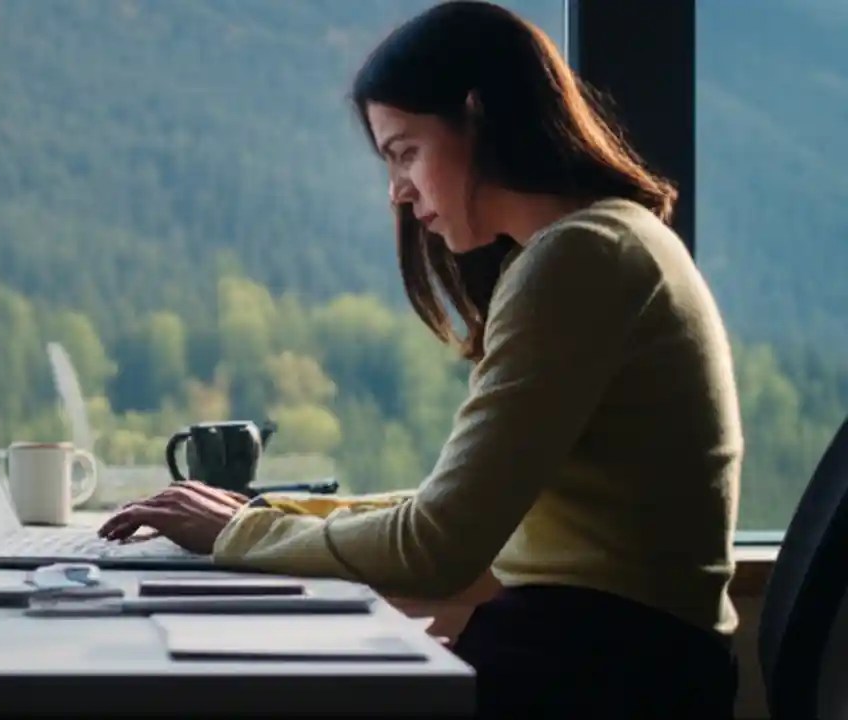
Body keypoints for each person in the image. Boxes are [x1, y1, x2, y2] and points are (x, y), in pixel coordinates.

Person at [98, 1, 742, 717]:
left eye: (405, 151)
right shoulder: (608, 244)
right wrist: (260, 512)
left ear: (478, 116)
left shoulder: (579, 259)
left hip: (602, 671)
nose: (397, 192)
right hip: (612, 654)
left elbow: (438, 547)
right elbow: (446, 513)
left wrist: (241, 533)